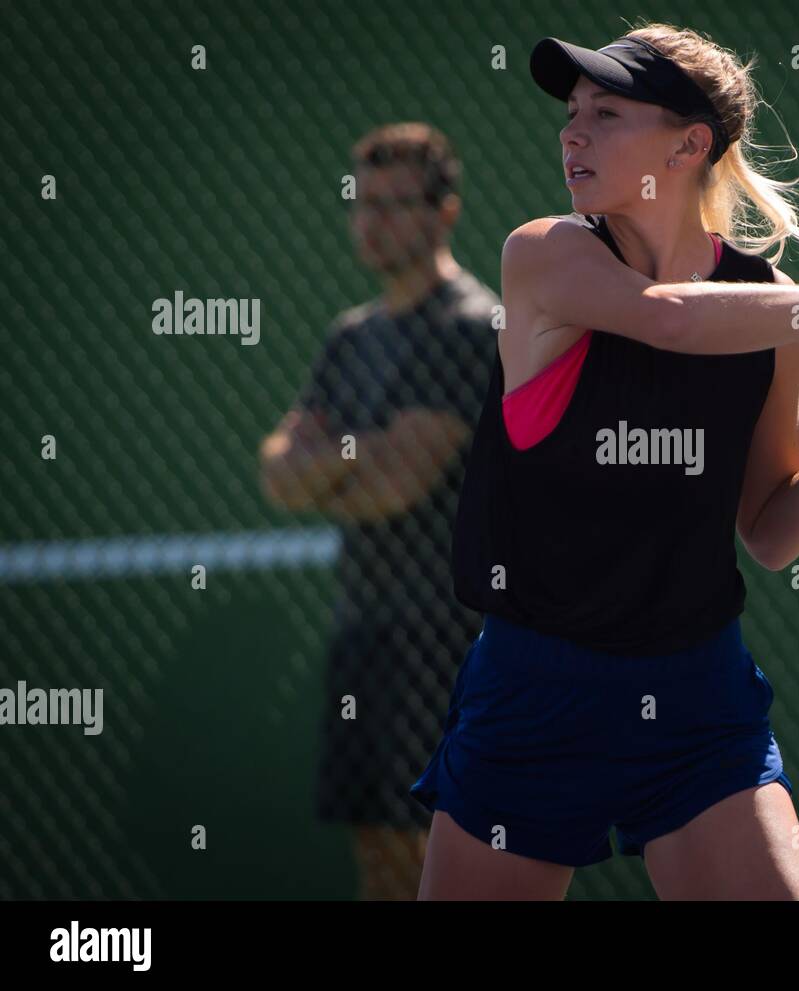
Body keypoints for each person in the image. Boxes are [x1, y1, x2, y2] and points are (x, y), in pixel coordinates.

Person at [411, 22, 799, 900]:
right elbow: (671, 318)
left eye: (606, 112)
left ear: (690, 144)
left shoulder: (770, 308)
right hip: (535, 692)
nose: (573, 131)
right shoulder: (544, 255)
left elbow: (768, 533)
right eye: (572, 112)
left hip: (697, 696)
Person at [259, 123, 499, 899]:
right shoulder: (349, 336)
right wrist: (358, 453)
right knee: (379, 857)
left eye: (395, 204)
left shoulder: (469, 325)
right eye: (363, 203)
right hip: (366, 628)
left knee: (447, 859)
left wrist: (333, 458)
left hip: (452, 638)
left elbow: (400, 480)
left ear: (444, 213)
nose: (373, 221)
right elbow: (278, 474)